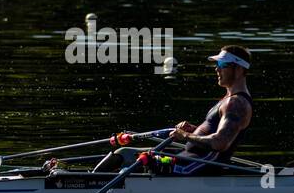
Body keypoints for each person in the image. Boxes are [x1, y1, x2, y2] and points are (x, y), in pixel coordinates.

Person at [93, 45, 254, 175]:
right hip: (187, 159)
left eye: (222, 64)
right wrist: (194, 130)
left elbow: (220, 143)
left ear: (239, 70)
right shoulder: (228, 99)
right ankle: (91, 181)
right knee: (126, 152)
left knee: (140, 160)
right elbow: (215, 132)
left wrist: (185, 135)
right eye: (217, 64)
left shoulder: (237, 103)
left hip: (194, 169)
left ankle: (88, 186)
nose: (216, 69)